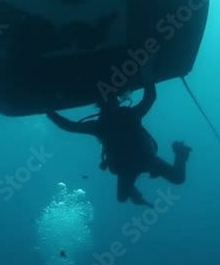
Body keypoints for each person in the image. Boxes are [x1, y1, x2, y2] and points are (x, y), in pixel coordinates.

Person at [46, 83, 192, 207]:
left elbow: (69, 126)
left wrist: (49, 111)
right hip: (139, 163)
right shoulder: (127, 116)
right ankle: (179, 154)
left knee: (125, 197)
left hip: (133, 165)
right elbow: (150, 98)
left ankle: (179, 154)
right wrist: (148, 78)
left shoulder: (101, 125)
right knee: (124, 197)